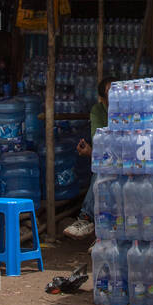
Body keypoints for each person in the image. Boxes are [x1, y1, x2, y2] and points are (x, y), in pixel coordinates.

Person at [63, 77, 112, 241]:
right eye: (109, 94)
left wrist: (95, 152)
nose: (115, 96)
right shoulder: (98, 111)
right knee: (101, 171)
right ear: (102, 99)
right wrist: (94, 152)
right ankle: (86, 219)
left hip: (130, 160)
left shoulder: (130, 110)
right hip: (110, 160)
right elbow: (99, 141)